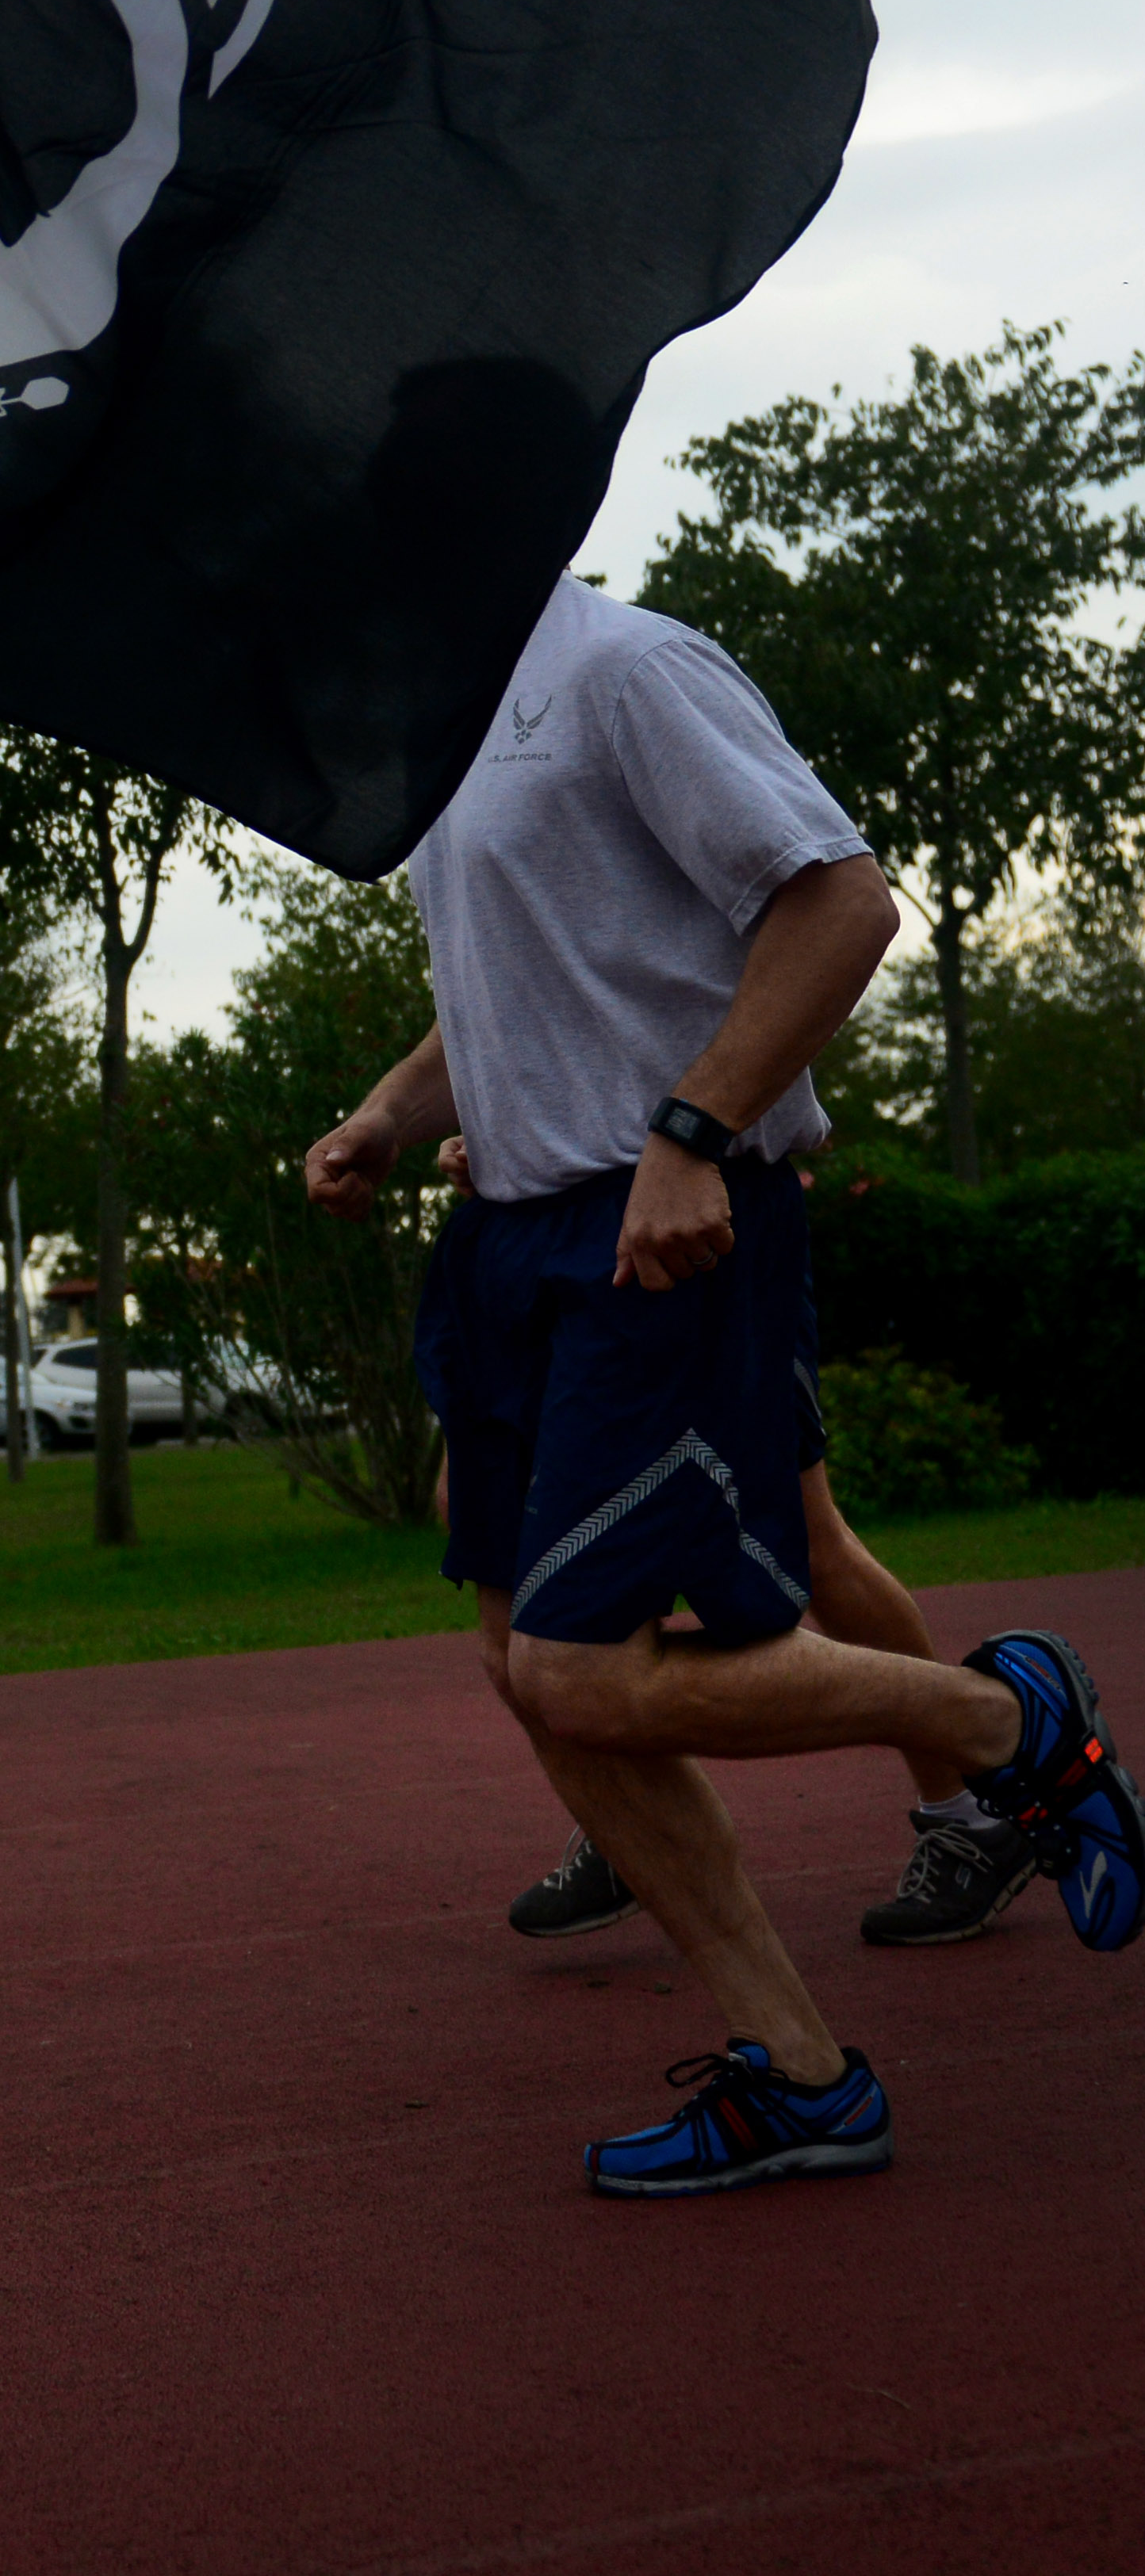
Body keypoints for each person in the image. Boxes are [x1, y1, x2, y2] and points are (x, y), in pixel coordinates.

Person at [304, 571, 1145, 2193]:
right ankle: (806, 2073)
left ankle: (1001, 1716)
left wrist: (691, 1131)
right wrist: (388, 1109)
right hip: (508, 1247)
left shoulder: (622, 668)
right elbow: (535, 973)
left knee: (576, 1666)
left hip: (655, 1233)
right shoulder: (453, 718)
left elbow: (837, 900)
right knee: (517, 1649)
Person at [435, 1110, 1037, 1955]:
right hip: (560, 1231)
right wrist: (506, 1133)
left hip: (697, 1227)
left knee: (812, 1535)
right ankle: (633, 1816)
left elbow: (759, 1010)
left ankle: (968, 1806)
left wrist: (691, 1136)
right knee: (511, 1526)